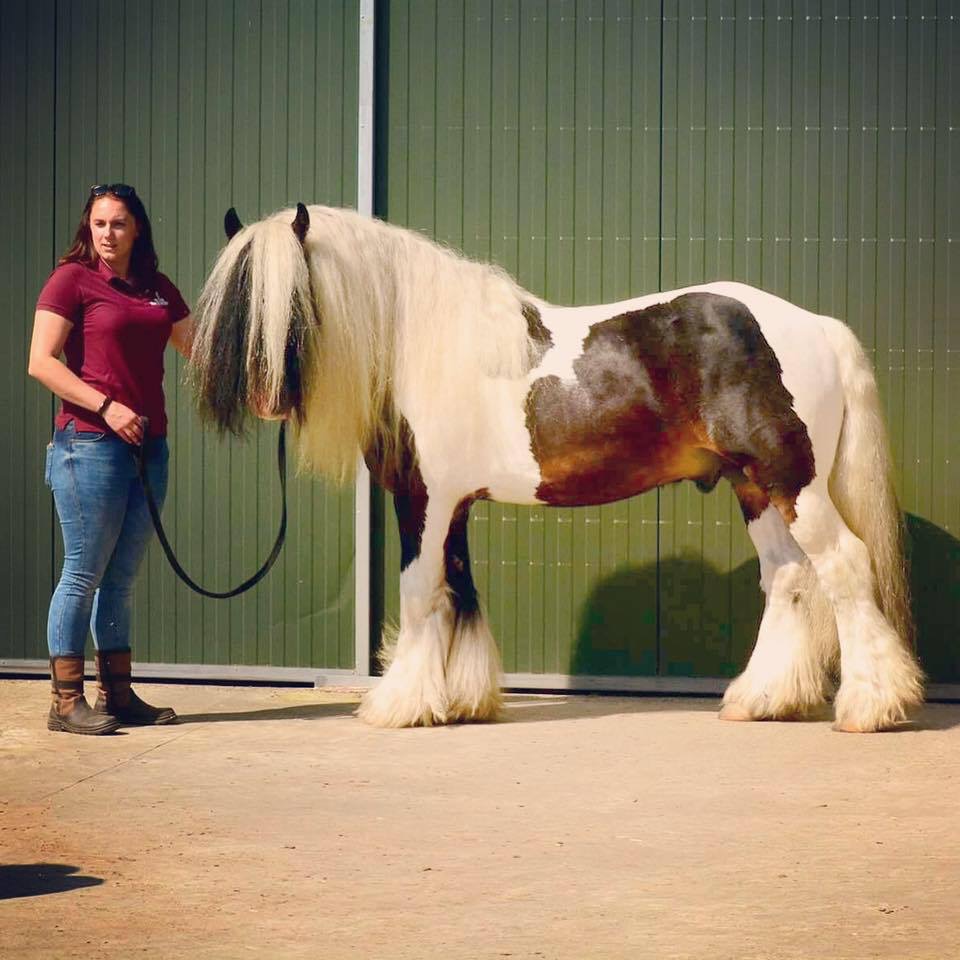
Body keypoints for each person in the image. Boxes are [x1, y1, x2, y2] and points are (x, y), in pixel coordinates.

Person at [28, 183, 194, 735]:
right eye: (99, 223)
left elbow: (201, 349)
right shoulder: (72, 279)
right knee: (82, 573)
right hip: (89, 445)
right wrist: (106, 406)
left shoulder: (157, 289)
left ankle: (117, 695)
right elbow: (41, 361)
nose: (107, 233)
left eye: (118, 223)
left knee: (119, 579)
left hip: (149, 448)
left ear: (137, 228)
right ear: (88, 227)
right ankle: (65, 702)